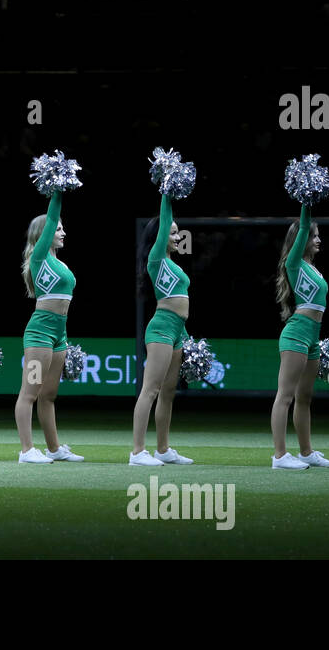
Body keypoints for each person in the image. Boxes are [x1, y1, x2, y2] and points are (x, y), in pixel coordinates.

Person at [14, 189, 84, 464]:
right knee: (30, 392)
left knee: (49, 394)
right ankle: (26, 450)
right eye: (58, 228)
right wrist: (58, 190)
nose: (63, 232)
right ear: (45, 233)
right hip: (39, 334)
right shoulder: (40, 258)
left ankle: (54, 449)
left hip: (59, 334)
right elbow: (53, 214)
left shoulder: (59, 261)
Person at [268, 202, 329, 469]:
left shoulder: (312, 267)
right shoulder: (294, 263)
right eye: (313, 235)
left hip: (312, 337)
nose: (318, 239)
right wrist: (306, 200)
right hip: (296, 334)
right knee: (285, 395)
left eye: (318, 235)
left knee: (305, 397)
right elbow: (304, 223)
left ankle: (306, 452)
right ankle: (280, 455)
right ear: (301, 240)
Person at [130, 191, 194, 466]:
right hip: (161, 329)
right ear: (158, 237)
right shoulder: (157, 260)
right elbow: (165, 215)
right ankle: (137, 452)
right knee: (151, 389)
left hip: (178, 329)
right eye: (172, 232)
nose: (177, 237)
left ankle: (163, 449)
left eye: (179, 233)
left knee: (168, 392)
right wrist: (168, 191)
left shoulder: (172, 262)